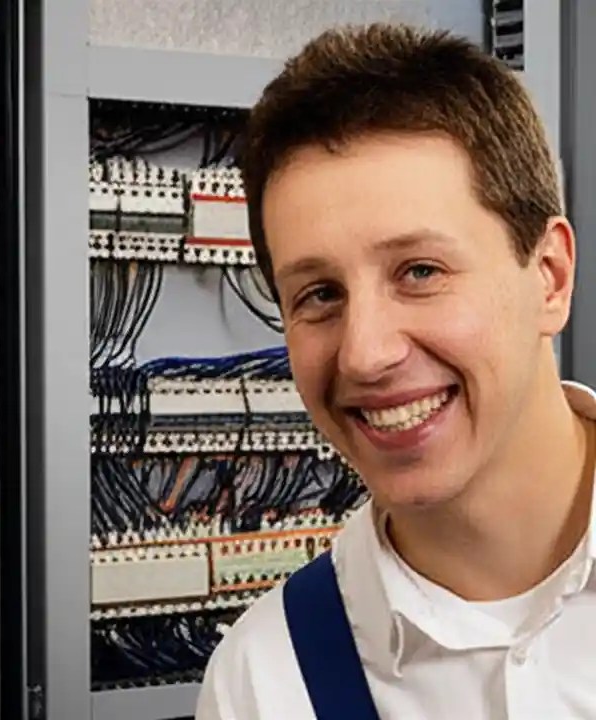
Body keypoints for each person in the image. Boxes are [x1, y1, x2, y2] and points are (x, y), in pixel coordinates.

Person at [196, 23, 596, 719]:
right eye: (319, 294)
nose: (365, 353)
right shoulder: (263, 684)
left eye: (420, 271)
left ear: (551, 278)